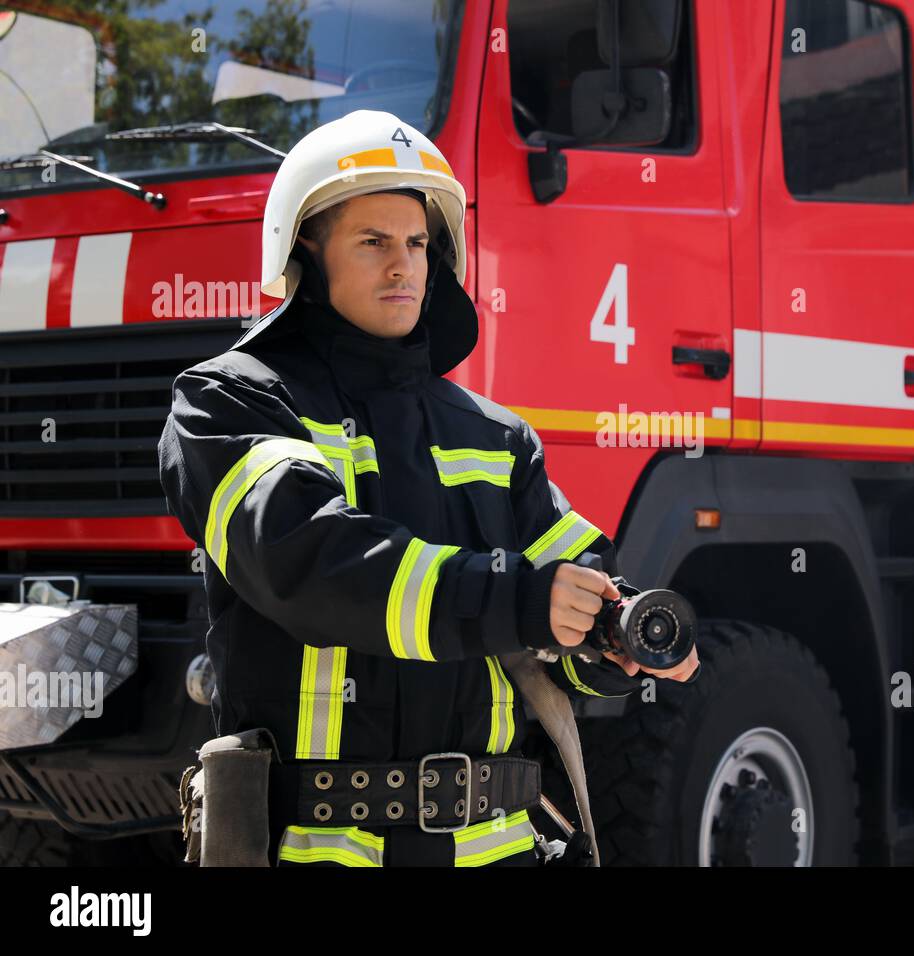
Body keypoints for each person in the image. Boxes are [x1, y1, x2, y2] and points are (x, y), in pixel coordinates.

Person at [158, 110, 699, 867]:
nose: (403, 266)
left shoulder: (496, 435)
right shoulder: (230, 404)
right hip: (313, 851)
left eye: (416, 244)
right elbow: (318, 568)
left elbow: (571, 586)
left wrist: (611, 635)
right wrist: (523, 601)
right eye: (372, 242)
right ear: (304, 252)